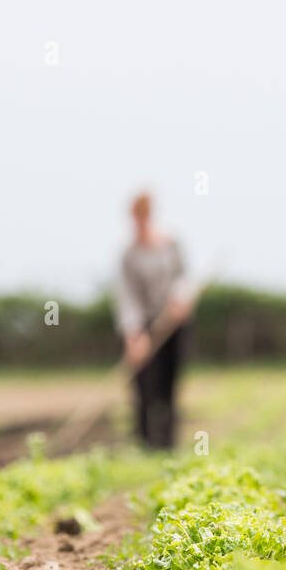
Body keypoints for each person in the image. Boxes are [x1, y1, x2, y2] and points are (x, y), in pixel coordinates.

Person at [113, 191, 192, 449]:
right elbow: (128, 296)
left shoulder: (171, 245)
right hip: (144, 325)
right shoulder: (129, 254)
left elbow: (183, 278)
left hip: (173, 322)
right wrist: (134, 333)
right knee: (144, 386)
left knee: (170, 382)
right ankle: (145, 443)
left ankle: (168, 443)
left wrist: (179, 300)